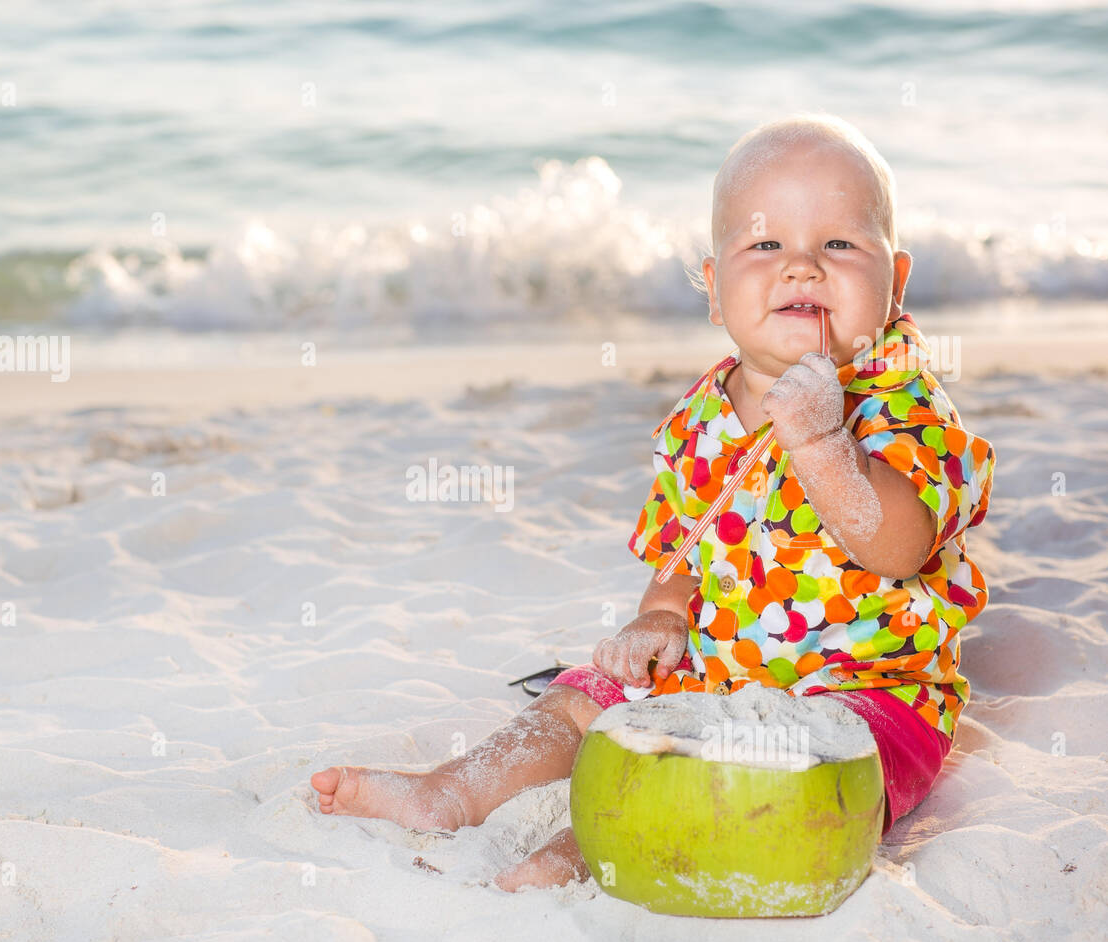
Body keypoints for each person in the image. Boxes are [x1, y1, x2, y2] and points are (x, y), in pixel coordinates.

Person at [311, 112, 996, 891]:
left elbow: (899, 546)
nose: (802, 268)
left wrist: (822, 445)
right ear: (714, 288)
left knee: (782, 781)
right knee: (582, 703)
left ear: (895, 281)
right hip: (714, 669)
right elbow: (684, 546)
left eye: (838, 245)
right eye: (766, 245)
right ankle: (451, 791)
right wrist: (664, 615)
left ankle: (583, 851)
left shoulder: (906, 405)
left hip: (865, 693)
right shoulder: (700, 416)